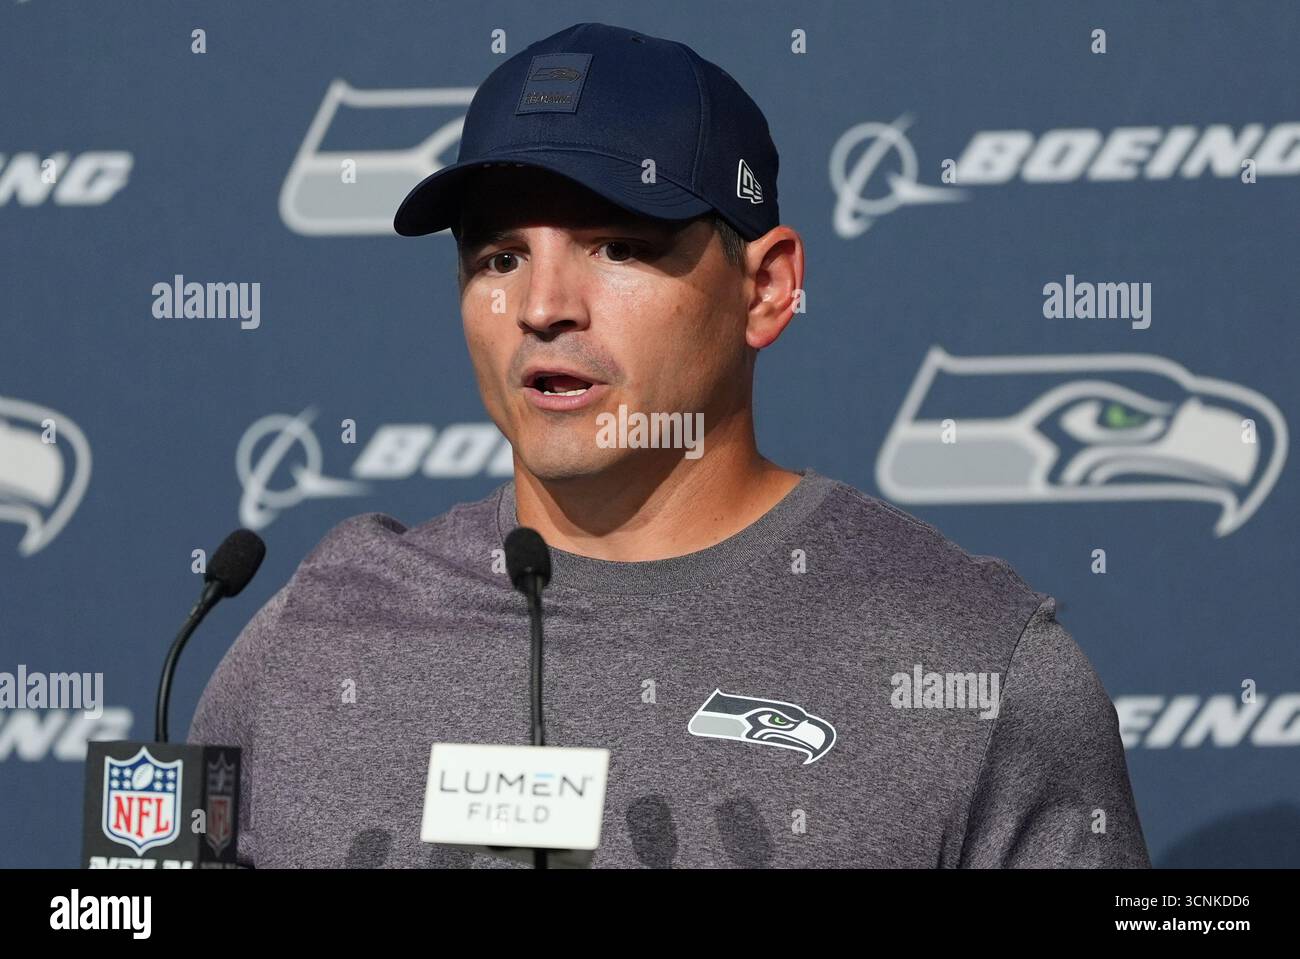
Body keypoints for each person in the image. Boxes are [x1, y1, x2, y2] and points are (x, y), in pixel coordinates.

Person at [189, 21, 1150, 868]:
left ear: (767, 288)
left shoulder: (974, 666)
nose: (543, 307)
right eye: (500, 257)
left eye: (619, 246)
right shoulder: (314, 640)